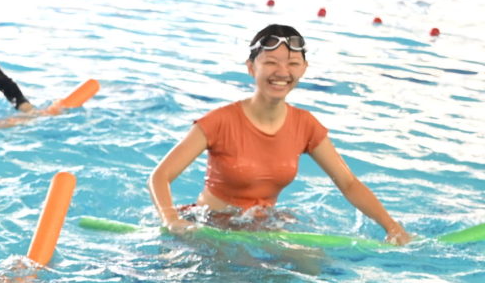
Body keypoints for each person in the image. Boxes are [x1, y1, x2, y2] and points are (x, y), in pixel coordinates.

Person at [148, 24, 410, 246]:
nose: (282, 73)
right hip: (212, 226)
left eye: (293, 64)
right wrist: (172, 220)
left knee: (313, 265)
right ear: (251, 68)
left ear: (304, 69)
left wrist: (392, 227)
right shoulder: (219, 121)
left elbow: (349, 184)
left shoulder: (305, 124)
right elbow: (160, 176)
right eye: (270, 62)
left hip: (262, 226)